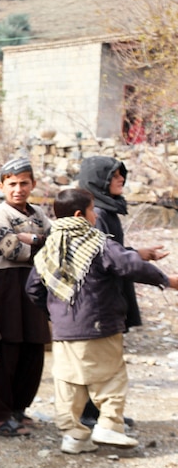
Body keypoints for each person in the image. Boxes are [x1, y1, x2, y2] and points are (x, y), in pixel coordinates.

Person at [25, 187, 177, 453]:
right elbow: (130, 265)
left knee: (69, 381)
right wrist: (166, 280)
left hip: (64, 330)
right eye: (92, 210)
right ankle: (108, 424)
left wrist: (56, 314)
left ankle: (74, 437)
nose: (96, 215)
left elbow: (33, 288)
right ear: (79, 214)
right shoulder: (96, 242)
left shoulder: (50, 247)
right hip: (98, 325)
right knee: (111, 376)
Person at [75, 156, 168, 428]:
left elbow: (112, 251)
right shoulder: (98, 214)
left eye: (120, 174)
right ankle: (89, 414)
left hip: (110, 291)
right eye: (113, 175)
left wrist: (136, 254)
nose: (120, 179)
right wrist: (163, 279)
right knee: (100, 358)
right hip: (99, 295)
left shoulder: (107, 210)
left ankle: (103, 412)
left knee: (108, 356)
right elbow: (103, 256)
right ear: (98, 180)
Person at [0, 157, 50, 437]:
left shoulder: (38, 214)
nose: (18, 189)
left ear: (32, 184)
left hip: (36, 284)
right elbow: (11, 250)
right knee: (8, 349)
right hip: (7, 284)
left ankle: (18, 408)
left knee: (33, 348)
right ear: (1, 186)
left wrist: (28, 239)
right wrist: (38, 242)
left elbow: (54, 243)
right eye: (12, 184)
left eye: (24, 183)